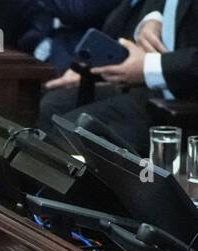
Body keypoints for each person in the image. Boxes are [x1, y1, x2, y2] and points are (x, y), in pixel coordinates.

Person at [43, 0, 197, 153]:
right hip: (158, 87)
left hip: (183, 102)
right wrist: (153, 17)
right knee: (53, 106)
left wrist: (149, 67)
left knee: (70, 131)